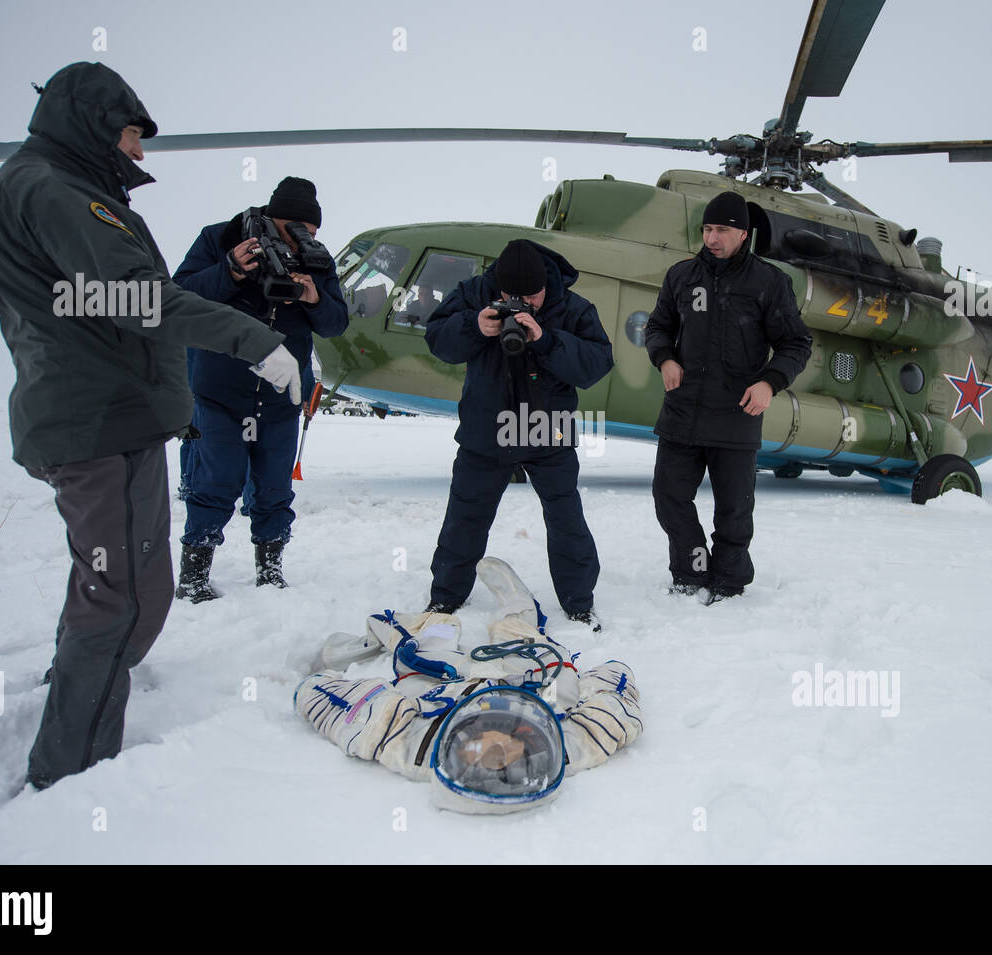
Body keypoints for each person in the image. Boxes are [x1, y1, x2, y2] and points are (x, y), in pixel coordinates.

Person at [0, 61, 302, 790]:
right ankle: (70, 782)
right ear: (95, 127)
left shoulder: (57, 188)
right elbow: (142, 298)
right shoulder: (56, 193)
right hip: (97, 425)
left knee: (119, 589)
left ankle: (74, 707)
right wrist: (255, 339)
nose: (140, 155)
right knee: (120, 599)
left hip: (110, 420)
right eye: (131, 135)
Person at [296, 557, 641, 813]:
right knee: (542, 655)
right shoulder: (572, 746)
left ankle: (374, 636)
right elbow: (616, 688)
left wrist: (325, 679)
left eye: (483, 753)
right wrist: (598, 680)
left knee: (430, 636)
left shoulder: (411, 746)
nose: (496, 739)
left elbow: (328, 699)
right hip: (533, 689)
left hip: (446, 689)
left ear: (459, 759)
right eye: (508, 753)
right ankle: (518, 611)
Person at [171, 178, 348, 600]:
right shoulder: (221, 239)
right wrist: (230, 269)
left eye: (310, 230)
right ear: (269, 218)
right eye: (293, 228)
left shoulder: (316, 261)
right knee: (216, 481)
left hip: (282, 395)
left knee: (274, 487)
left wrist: (313, 299)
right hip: (219, 389)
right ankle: (194, 575)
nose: (301, 238)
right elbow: (178, 298)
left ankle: (270, 570)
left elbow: (336, 323)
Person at [423, 239, 613, 630]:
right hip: (486, 426)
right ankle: (445, 597)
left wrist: (545, 340)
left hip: (547, 427)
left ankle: (579, 602)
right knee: (465, 516)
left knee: (565, 518)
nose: (522, 303)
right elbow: (438, 340)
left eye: (531, 295)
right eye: (511, 295)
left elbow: (596, 364)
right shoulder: (473, 294)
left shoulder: (574, 307)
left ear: (546, 284)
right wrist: (474, 325)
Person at [644, 190, 814, 604]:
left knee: (733, 510)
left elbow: (796, 343)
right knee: (669, 498)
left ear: (743, 234)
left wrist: (769, 382)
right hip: (683, 411)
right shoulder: (681, 276)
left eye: (721, 230)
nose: (712, 238)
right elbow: (658, 327)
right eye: (706, 229)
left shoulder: (769, 282)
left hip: (737, 413)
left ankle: (729, 581)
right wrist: (664, 358)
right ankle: (691, 570)